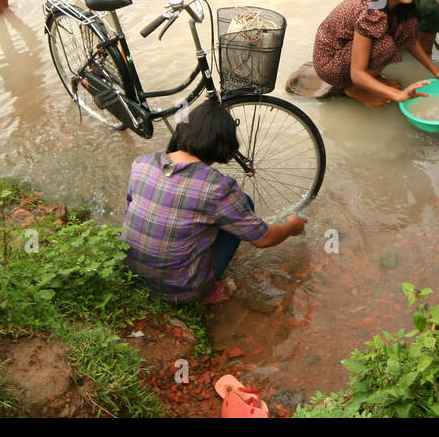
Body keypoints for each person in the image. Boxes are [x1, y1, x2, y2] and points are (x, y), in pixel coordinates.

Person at [121, 100, 307, 304]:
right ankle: (207, 292)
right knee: (245, 202)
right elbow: (263, 240)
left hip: (132, 278)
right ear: (223, 145)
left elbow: (131, 209)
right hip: (179, 292)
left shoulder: (142, 163)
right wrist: (292, 226)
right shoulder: (218, 188)